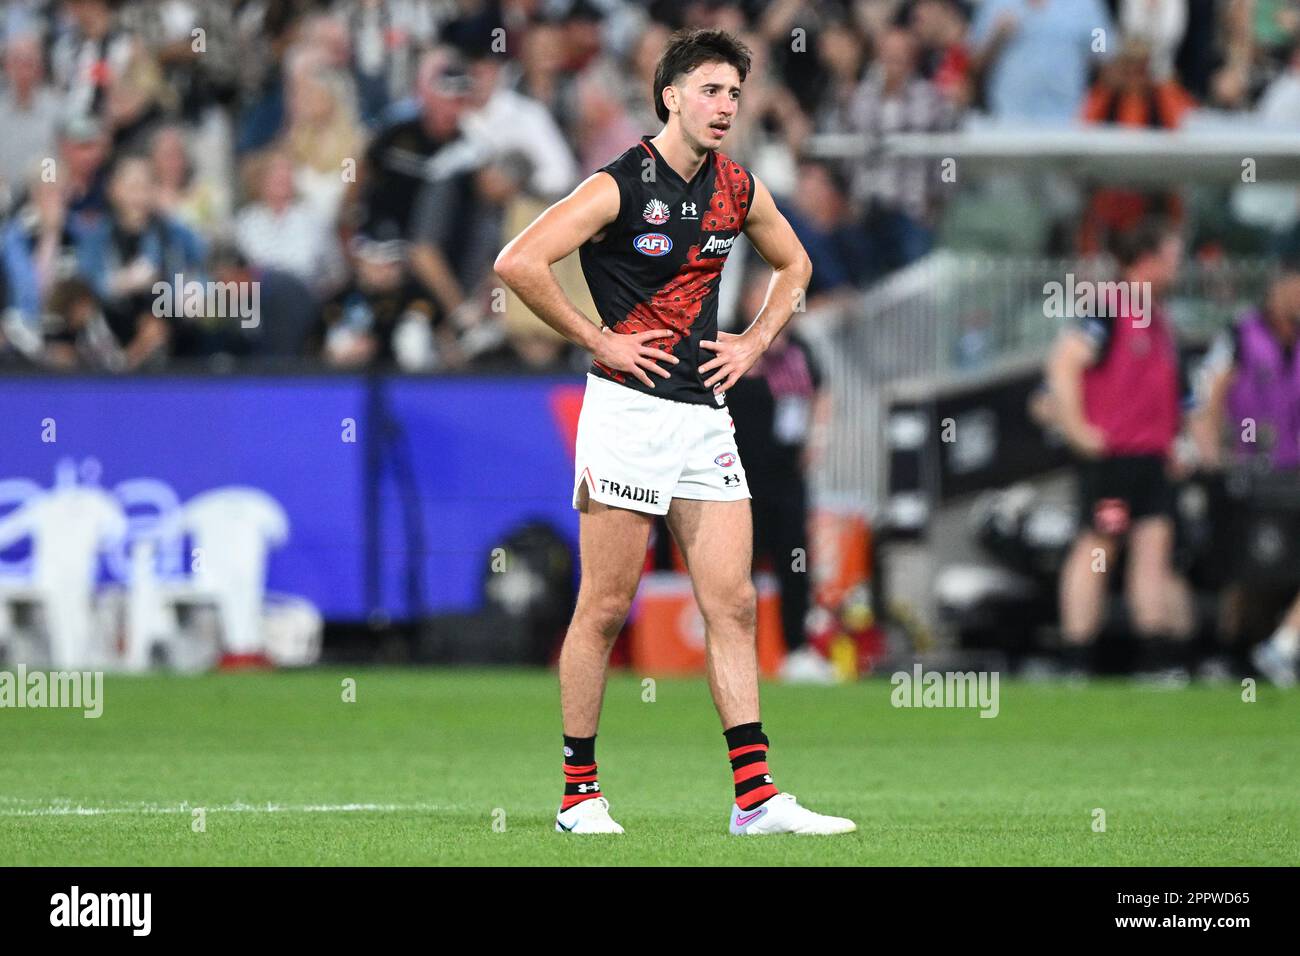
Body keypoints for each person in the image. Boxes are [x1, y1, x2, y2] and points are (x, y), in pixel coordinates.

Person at [494, 28, 855, 837]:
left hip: (704, 416)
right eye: (711, 91)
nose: (726, 106)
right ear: (671, 96)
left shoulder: (737, 187)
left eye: (735, 93)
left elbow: (795, 268)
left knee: (732, 603)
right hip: (627, 409)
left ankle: (756, 799)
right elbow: (518, 262)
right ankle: (578, 796)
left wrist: (758, 341)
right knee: (606, 607)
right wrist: (598, 339)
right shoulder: (620, 183)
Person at [1045, 221, 1195, 677]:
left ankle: (1155, 657)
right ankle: (1075, 657)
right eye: (1170, 258)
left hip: (1151, 462)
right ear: (1145, 260)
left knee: (1154, 551)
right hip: (1114, 461)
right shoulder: (1108, 308)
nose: (1176, 269)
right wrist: (1077, 429)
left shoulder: (1161, 318)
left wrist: (1179, 443)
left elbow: (1173, 394)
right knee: (1099, 547)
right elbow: (1064, 362)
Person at [1191, 261, 1300, 685]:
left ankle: (1276, 650)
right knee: (1244, 570)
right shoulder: (1241, 334)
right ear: (1280, 287)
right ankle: (1235, 656)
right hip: (1250, 471)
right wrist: (1212, 460)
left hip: (1295, 473)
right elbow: (1207, 398)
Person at [727, 269, 833, 684]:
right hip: (739, 476)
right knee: (738, 570)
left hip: (787, 476)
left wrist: (817, 436)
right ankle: (737, 656)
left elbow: (822, 390)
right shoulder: (732, 341)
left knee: (795, 564)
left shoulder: (799, 349)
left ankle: (797, 650)